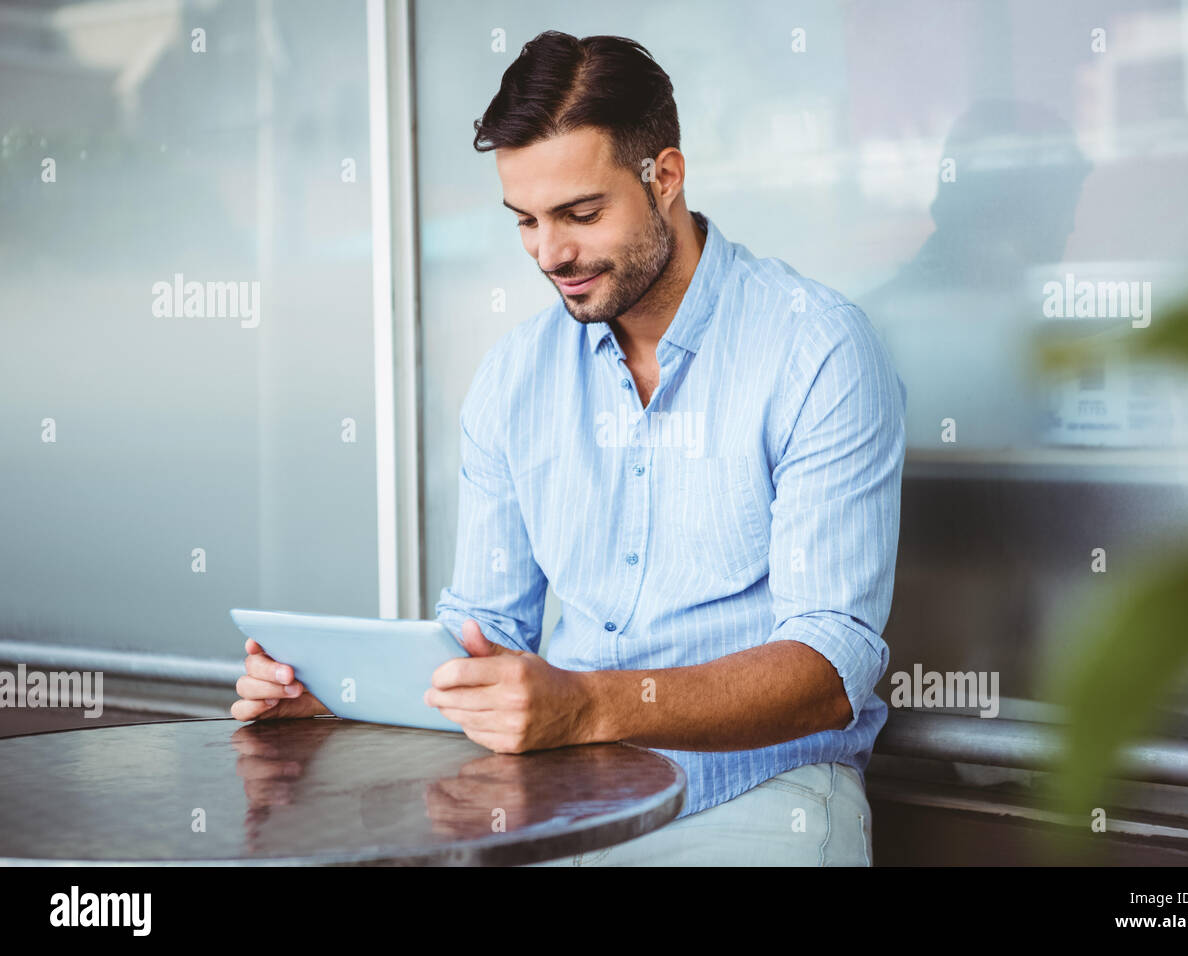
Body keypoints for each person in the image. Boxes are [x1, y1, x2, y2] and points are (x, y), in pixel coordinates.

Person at [233, 30, 906, 867]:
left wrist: (588, 705)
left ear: (665, 176)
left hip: (764, 793)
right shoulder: (515, 375)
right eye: (526, 220)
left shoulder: (820, 350)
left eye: (581, 215)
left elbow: (830, 667)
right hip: (558, 793)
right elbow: (486, 633)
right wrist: (337, 699)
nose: (550, 253)